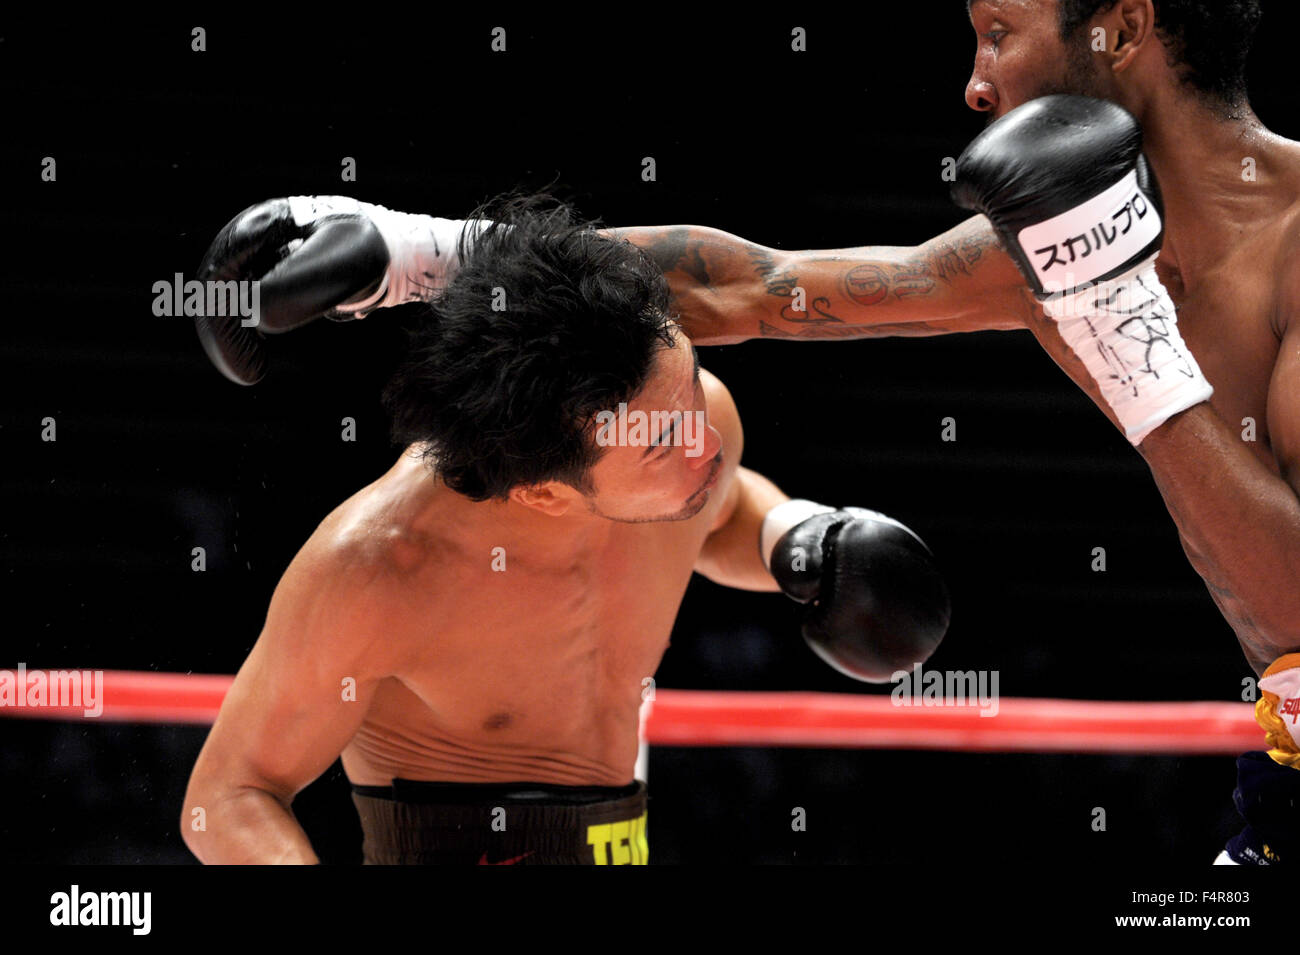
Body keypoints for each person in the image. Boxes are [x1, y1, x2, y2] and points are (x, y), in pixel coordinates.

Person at [197, 0, 1299, 866]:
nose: (975, 81)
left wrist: (1120, 326)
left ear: (1125, 30)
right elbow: (766, 291)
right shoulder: (1059, 248)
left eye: (999, 34)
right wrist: (423, 255)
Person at [182, 197, 950, 865]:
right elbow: (226, 797)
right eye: (662, 440)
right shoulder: (381, 567)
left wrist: (795, 536)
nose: (704, 440)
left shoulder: (684, 425)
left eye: (688, 386)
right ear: (545, 491)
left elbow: (713, 509)